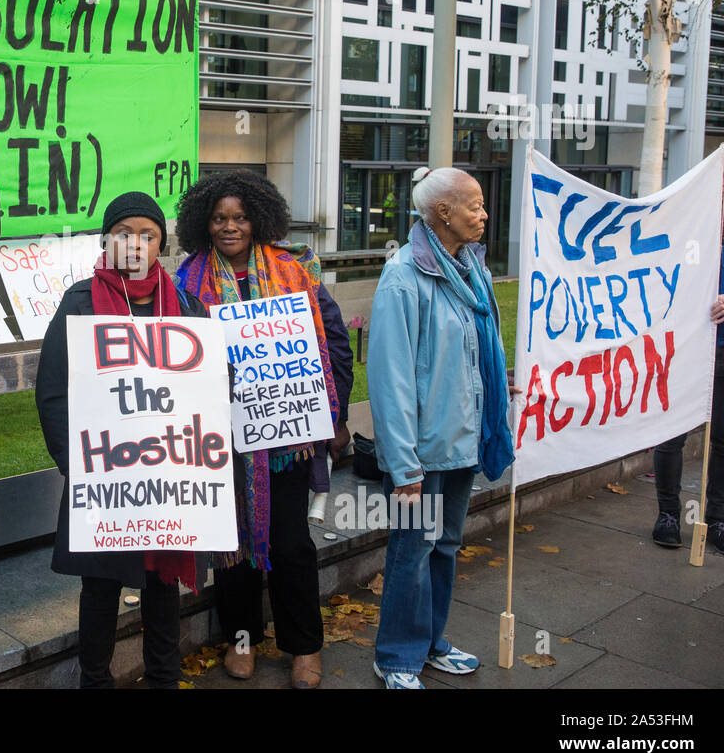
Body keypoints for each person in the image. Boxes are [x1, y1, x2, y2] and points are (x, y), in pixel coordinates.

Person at [35, 192, 209, 689]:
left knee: (162, 583)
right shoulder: (79, 303)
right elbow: (53, 390)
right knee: (100, 585)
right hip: (104, 476)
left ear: (160, 244)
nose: (135, 244)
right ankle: (94, 680)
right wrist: (76, 463)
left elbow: (207, 388)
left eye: (147, 235)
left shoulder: (187, 306)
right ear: (106, 241)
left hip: (167, 477)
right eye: (123, 234)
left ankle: (163, 678)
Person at [174, 170, 341, 689]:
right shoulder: (187, 281)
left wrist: (331, 414)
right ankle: (241, 641)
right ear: (204, 223)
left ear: (258, 219)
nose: (230, 227)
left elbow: (333, 339)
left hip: (288, 435)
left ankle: (304, 647)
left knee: (291, 544)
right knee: (233, 547)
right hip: (222, 440)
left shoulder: (295, 269)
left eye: (241, 217)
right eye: (219, 218)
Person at [365, 166, 515, 689]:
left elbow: (472, 349)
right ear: (443, 212)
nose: (485, 214)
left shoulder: (472, 267)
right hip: (422, 453)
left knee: (445, 545)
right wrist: (403, 466)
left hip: (462, 440)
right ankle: (396, 658)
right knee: (413, 551)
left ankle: (429, 643)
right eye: (475, 205)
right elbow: (390, 379)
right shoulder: (404, 276)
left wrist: (496, 384)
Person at [650, 147, 724, 556]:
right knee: (670, 435)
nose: (722, 182)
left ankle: (717, 522)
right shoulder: (683, 219)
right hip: (683, 349)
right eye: (718, 173)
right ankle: (669, 516)